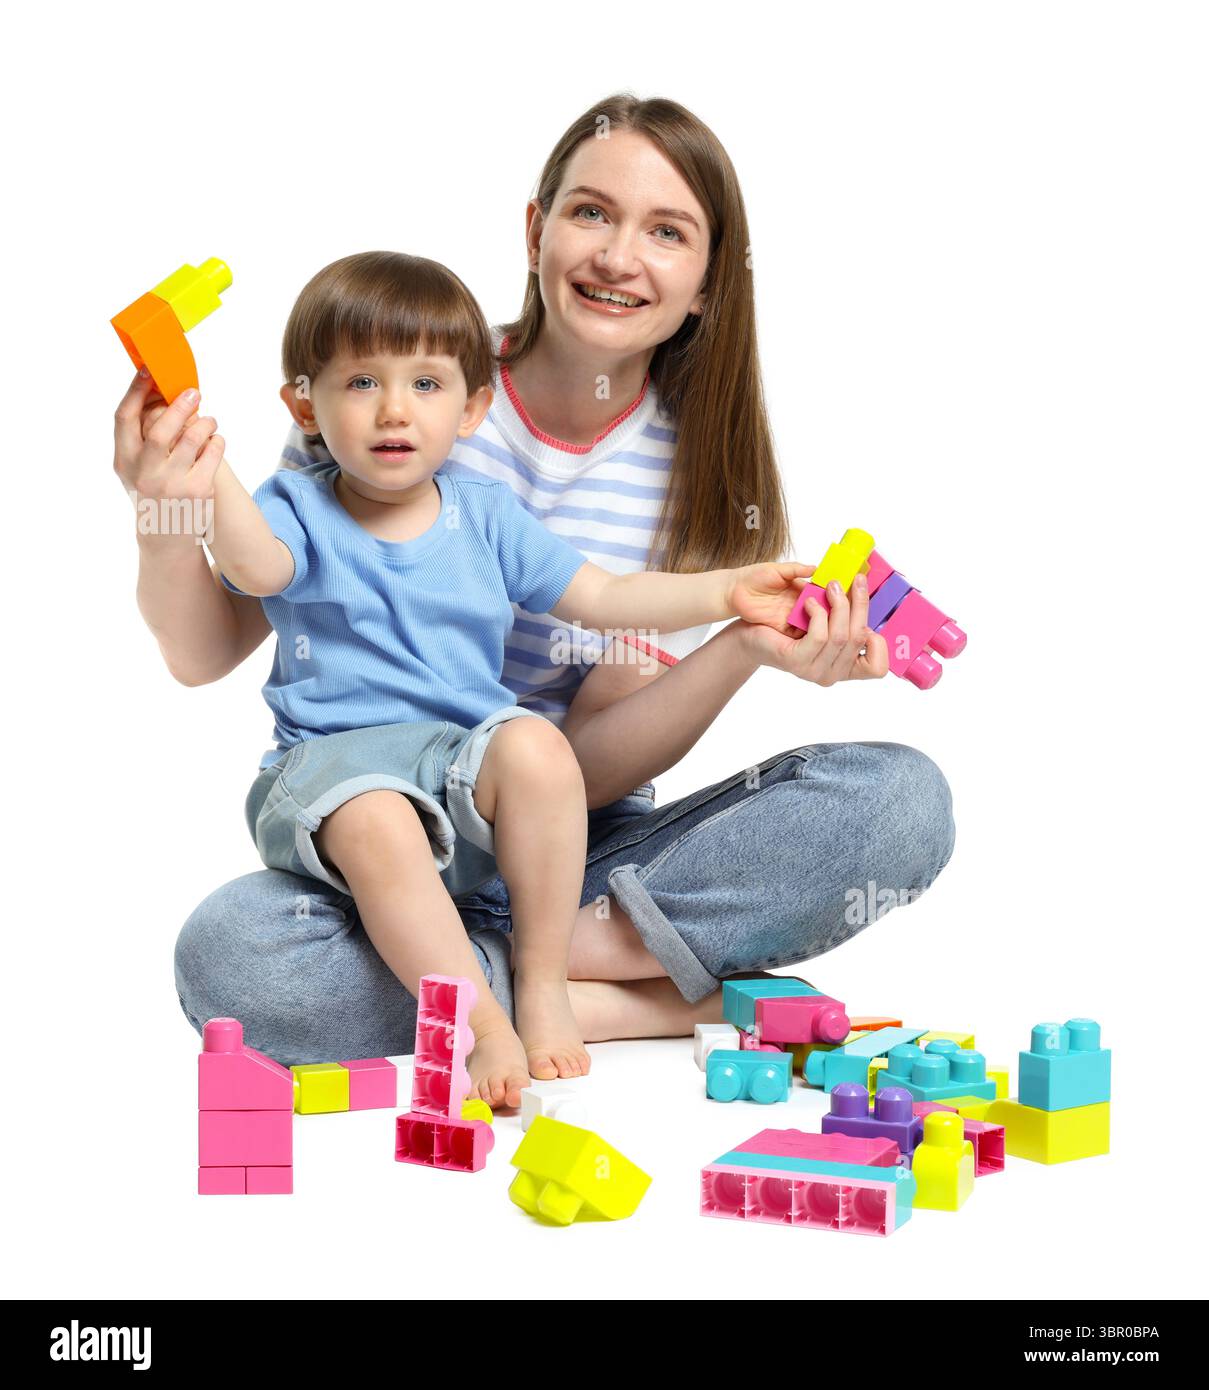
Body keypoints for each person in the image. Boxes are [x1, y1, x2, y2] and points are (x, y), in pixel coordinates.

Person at [114, 93, 955, 1075]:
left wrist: (743, 645)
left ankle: (493, 979)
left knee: (901, 802)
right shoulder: (390, 384)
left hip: (576, 852)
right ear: (536, 229)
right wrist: (166, 510)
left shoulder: (698, 475)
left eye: (667, 232)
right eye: (591, 213)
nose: (617, 255)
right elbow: (205, 648)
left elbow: (590, 749)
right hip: (374, 833)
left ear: (705, 285)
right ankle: (642, 998)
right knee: (232, 961)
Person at [194, 248, 815, 1107]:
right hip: (333, 771)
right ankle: (483, 1019)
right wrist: (203, 468)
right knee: (351, 841)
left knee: (534, 744)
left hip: (462, 768)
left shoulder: (484, 515)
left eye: (425, 384)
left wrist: (729, 589)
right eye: (360, 383)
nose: (392, 410)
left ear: (473, 406)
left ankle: (544, 980)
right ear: (306, 403)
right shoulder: (293, 504)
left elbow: (604, 595)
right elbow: (258, 569)